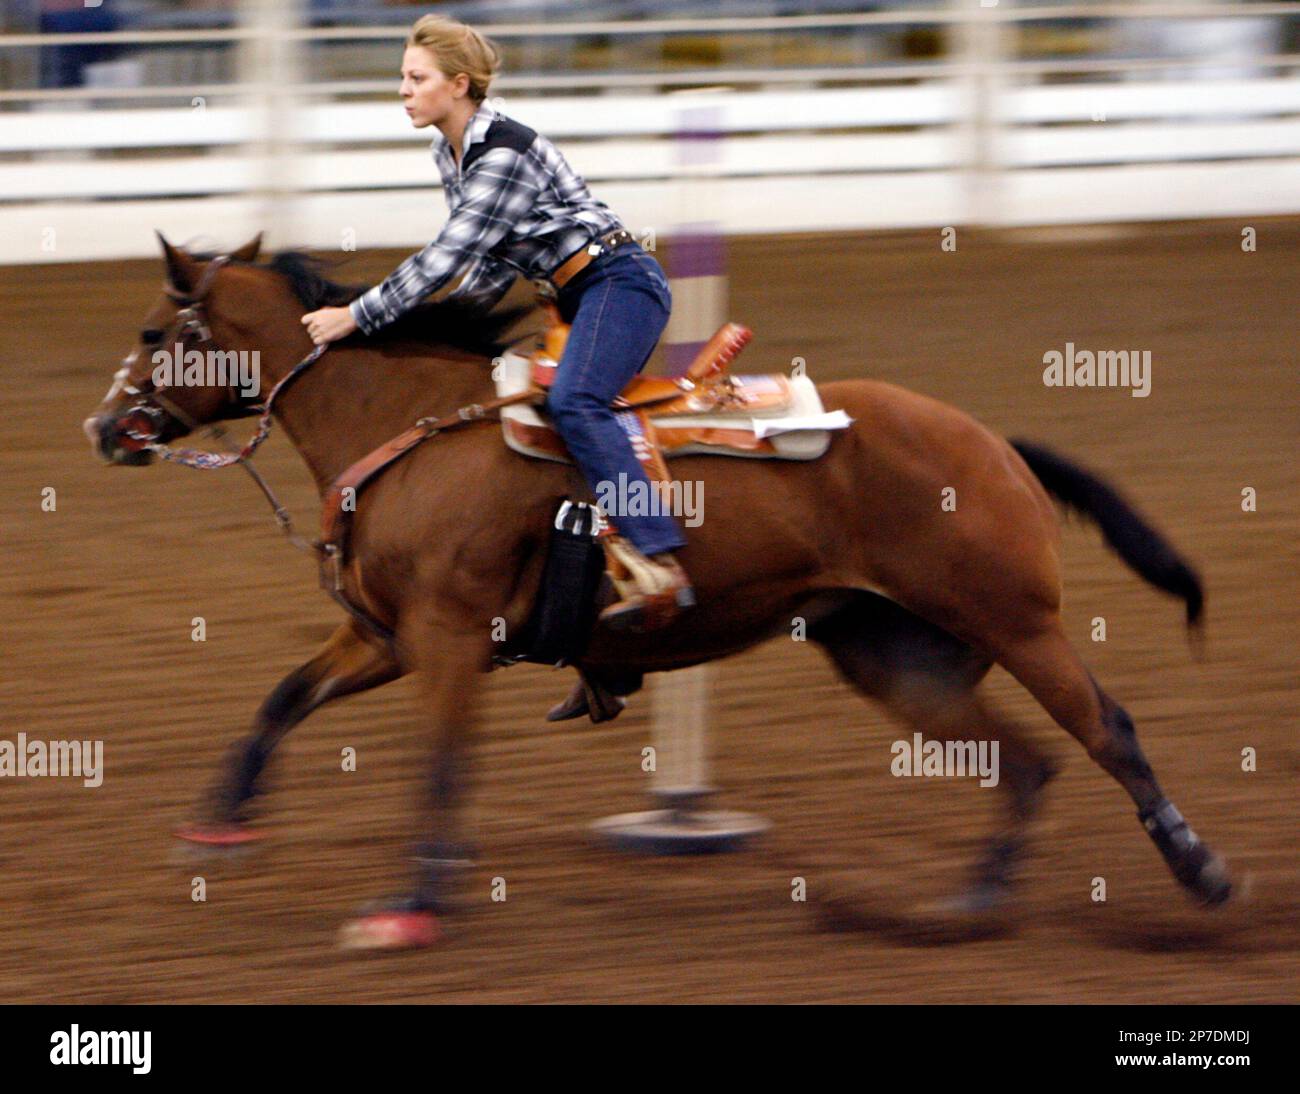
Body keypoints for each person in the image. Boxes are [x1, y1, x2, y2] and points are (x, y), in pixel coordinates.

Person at [302, 14, 693, 632]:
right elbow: (483, 267)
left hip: (618, 285)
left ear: (459, 85)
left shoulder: (503, 153)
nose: (402, 89)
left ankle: (659, 555)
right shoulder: (449, 148)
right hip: (574, 298)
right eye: (403, 76)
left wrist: (359, 315)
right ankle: (599, 645)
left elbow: (447, 258)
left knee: (577, 403)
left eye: (415, 77)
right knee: (531, 423)